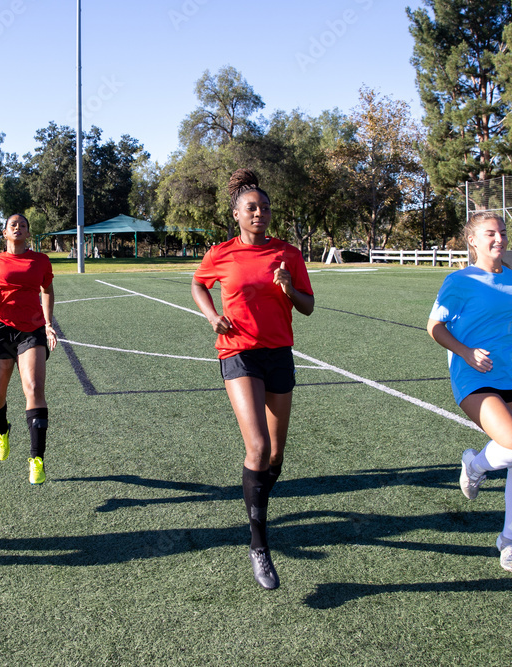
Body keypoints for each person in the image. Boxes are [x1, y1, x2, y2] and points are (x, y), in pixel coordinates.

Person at [191, 169, 315, 590]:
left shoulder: (289, 254)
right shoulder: (221, 252)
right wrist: (212, 315)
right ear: (237, 214)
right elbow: (198, 284)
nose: (259, 213)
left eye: (263, 207)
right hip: (238, 351)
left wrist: (288, 288)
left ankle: (259, 497)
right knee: (257, 446)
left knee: (275, 456)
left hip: (279, 353)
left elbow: (308, 306)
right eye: (251, 208)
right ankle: (259, 543)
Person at [427, 212, 512, 572]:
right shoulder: (459, 280)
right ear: (473, 241)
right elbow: (434, 327)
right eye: (489, 233)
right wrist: (465, 351)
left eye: (502, 232)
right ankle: (474, 464)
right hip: (473, 375)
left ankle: (509, 541)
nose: (498, 238)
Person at [0, 214, 56, 485]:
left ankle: (36, 459)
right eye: (13, 225)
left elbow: (48, 289)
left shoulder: (40, 261)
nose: (18, 227)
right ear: (4, 233)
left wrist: (49, 324)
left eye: (24, 225)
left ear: (28, 233)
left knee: (34, 388)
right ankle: (3, 431)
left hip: (31, 330)